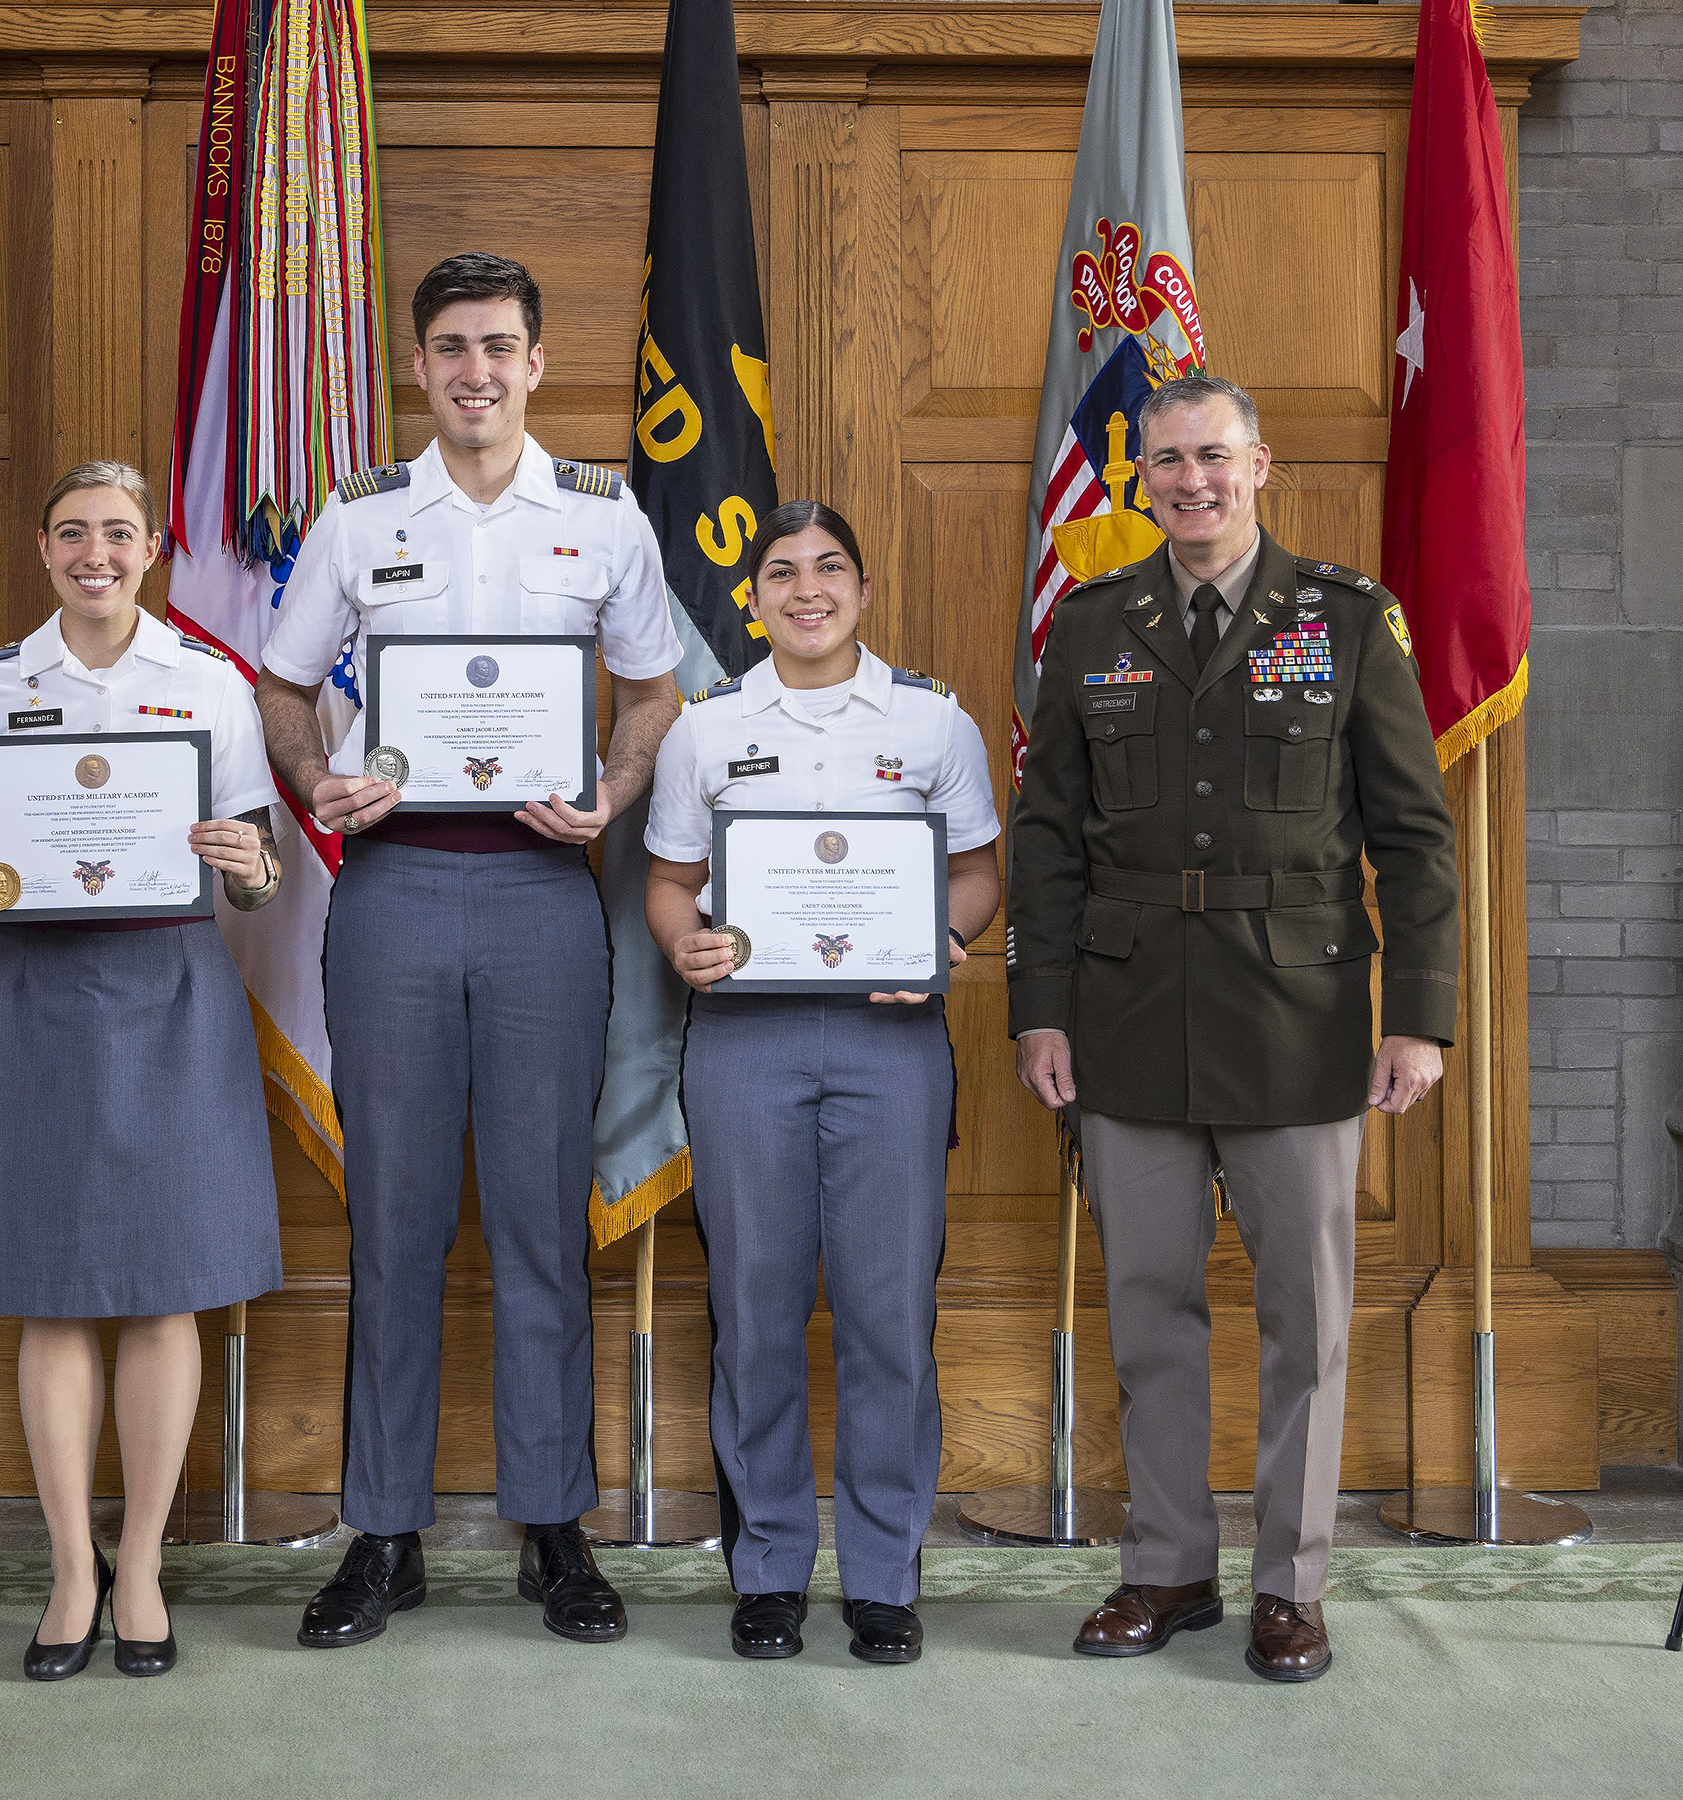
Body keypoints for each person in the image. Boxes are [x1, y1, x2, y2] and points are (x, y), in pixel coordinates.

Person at [254, 252, 686, 1648]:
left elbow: (656, 689)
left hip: (543, 895)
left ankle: (552, 1525)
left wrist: (615, 796)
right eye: (450, 348)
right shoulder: (361, 516)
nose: (475, 372)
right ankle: (383, 1531)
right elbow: (280, 684)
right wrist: (315, 781)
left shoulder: (603, 520)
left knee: (537, 1227)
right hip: (390, 890)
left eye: (499, 345)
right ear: (420, 366)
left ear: (537, 360)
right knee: (393, 1225)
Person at [1008, 371, 1460, 1683]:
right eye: (1167, 462)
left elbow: (1417, 841)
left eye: (1214, 456)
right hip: (1128, 1019)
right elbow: (1046, 844)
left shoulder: (1343, 619)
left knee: (1305, 1322)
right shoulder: (1092, 625)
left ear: (1260, 466)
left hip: (1300, 1017)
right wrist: (1041, 1009)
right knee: (1149, 1314)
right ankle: (1165, 1570)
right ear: (1140, 477)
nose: (1191, 480)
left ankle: (1291, 1586)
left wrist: (1418, 1020)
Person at [0, 460, 285, 1681]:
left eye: (118, 533)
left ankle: (142, 1569)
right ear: (42, 545)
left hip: (173, 991)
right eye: (72, 530)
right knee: (54, 1286)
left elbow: (262, 873)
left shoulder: (209, 683)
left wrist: (249, 860)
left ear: (151, 549)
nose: (96, 552)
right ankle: (71, 1569)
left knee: (165, 1283)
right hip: (34, 996)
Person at [645, 501, 999, 1665]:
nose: (807, 589)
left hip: (888, 1044)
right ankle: (771, 1571)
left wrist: (942, 942)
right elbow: (671, 881)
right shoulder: (705, 730)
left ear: (861, 587)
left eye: (830, 567)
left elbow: (980, 872)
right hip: (744, 1041)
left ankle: (886, 1573)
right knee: (754, 1307)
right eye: (782, 571)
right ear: (751, 597)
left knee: (889, 1310)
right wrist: (681, 943)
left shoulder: (932, 721)